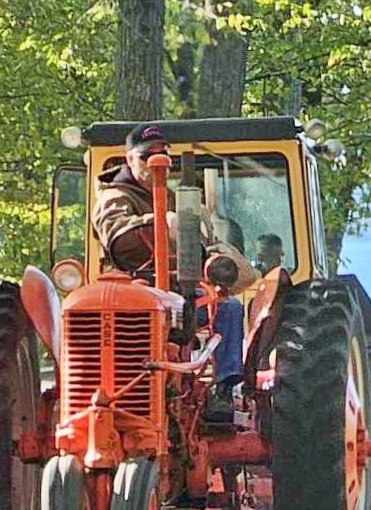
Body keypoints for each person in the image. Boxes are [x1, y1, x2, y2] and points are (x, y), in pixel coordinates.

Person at [91, 122, 251, 421]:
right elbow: (117, 235)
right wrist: (162, 222)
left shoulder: (179, 200)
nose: (155, 165)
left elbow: (206, 243)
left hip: (180, 292)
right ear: (129, 159)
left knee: (227, 307)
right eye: (146, 158)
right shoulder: (113, 198)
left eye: (162, 156)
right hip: (133, 295)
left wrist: (212, 249)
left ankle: (224, 390)